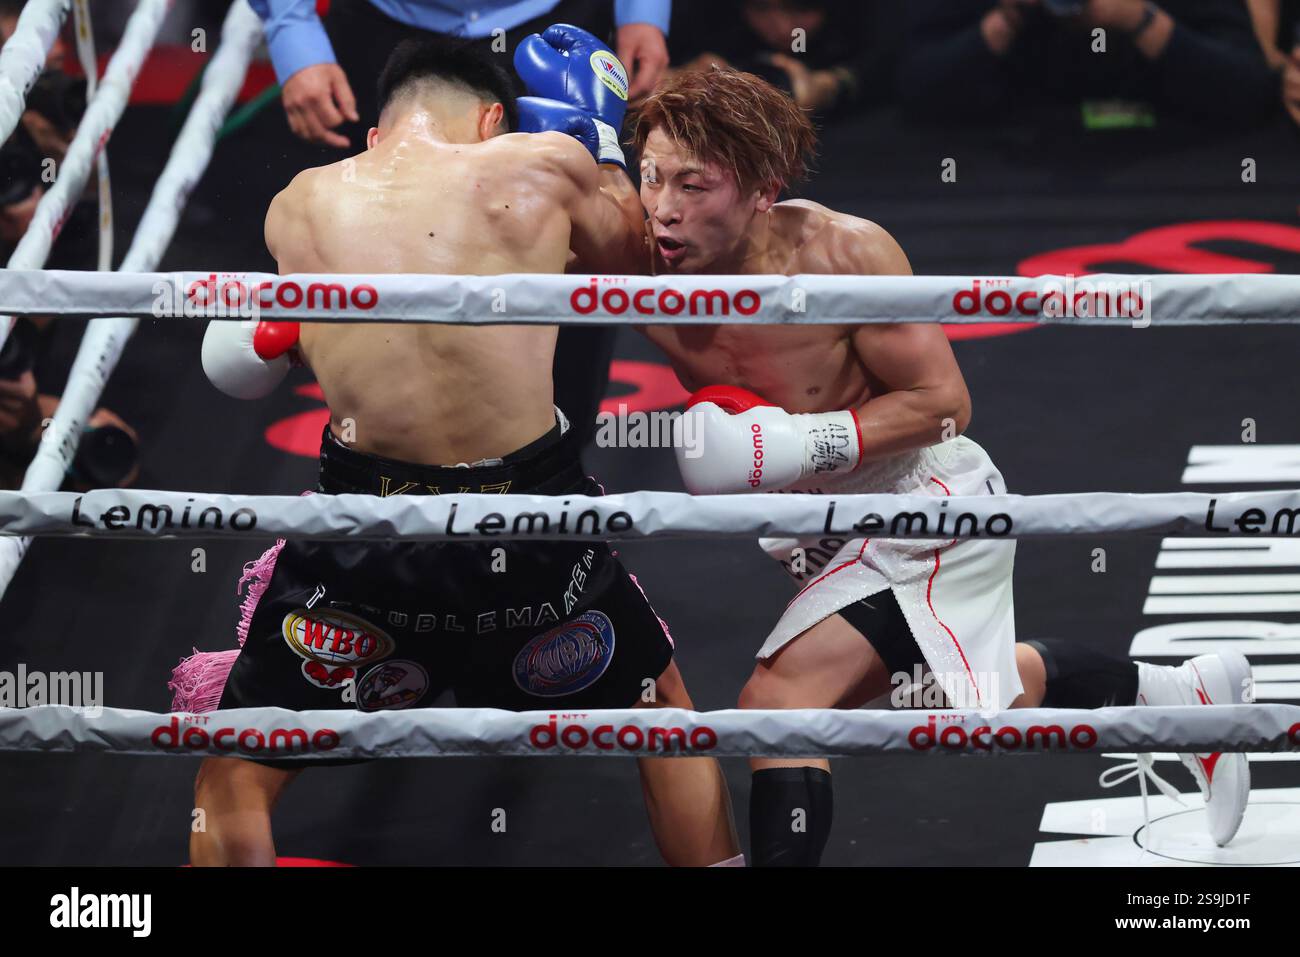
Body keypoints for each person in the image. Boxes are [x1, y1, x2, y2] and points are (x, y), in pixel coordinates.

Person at [632, 66, 1250, 863]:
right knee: (960, 698)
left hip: (921, 506)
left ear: (761, 188)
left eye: (693, 184)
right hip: (820, 525)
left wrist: (798, 442)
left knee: (780, 701)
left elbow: (943, 400)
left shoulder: (839, 257)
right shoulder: (637, 251)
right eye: (650, 176)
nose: (663, 206)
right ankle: (1184, 695)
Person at [179, 30, 740, 867]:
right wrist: (594, 139)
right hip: (527, 519)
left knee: (238, 769)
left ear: (376, 132)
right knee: (660, 714)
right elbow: (638, 262)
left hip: (364, 523)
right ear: (491, 122)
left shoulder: (298, 202)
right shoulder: (538, 167)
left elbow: (307, 339)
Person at [898, 0, 1280, 127]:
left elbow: (1249, 91)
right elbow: (913, 89)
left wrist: (1139, 18)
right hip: (1011, 155)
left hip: (1175, 148)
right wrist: (1008, 17)